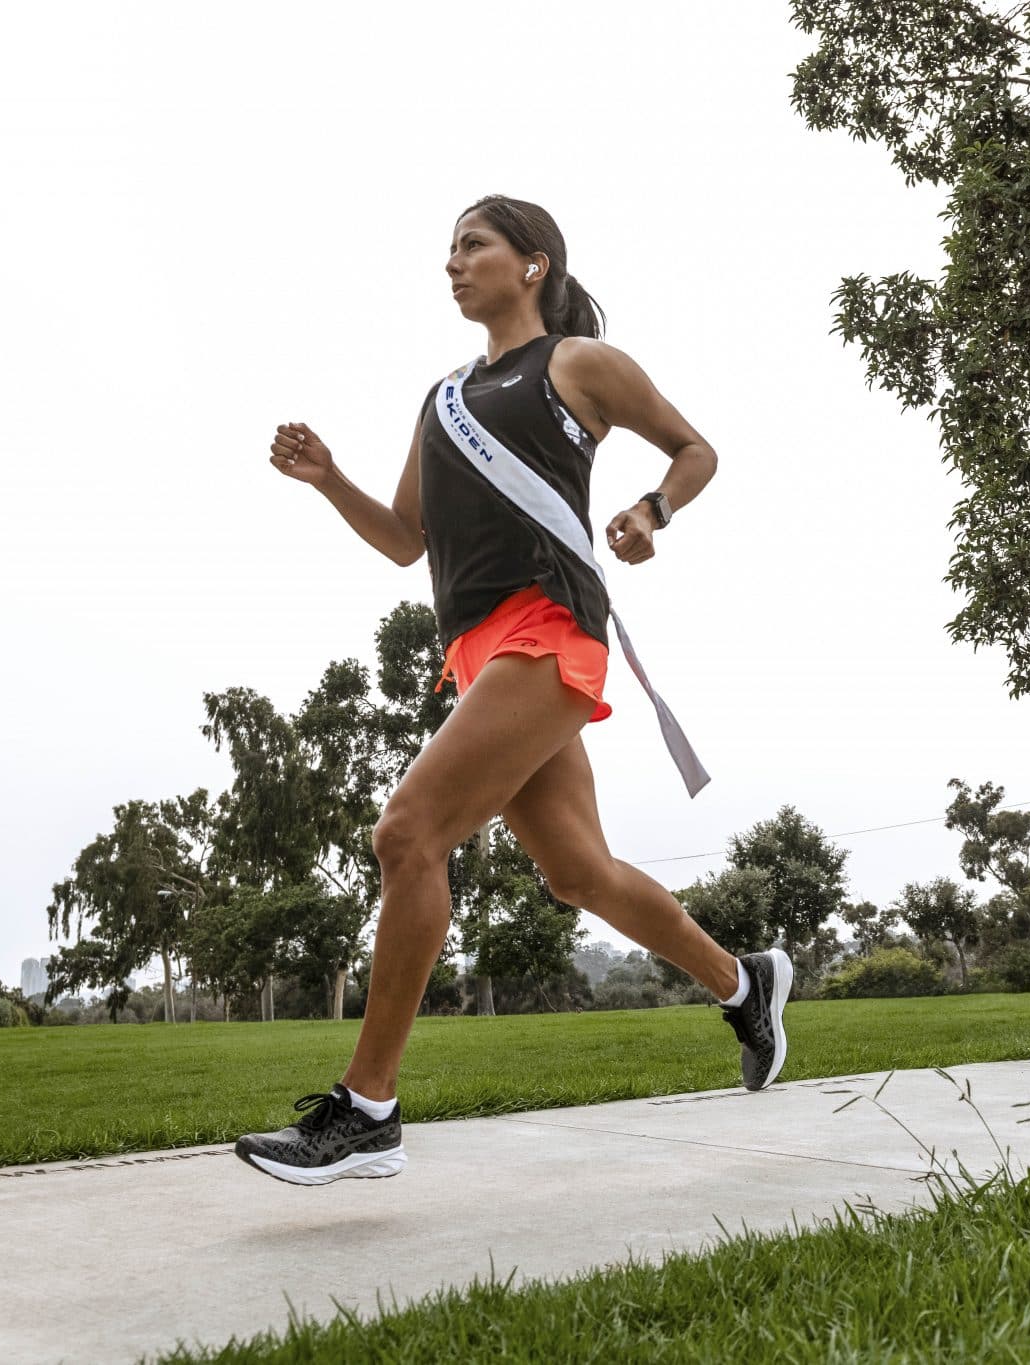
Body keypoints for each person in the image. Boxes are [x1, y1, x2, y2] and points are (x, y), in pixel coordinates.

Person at [234, 194, 792, 1186]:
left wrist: (653, 510)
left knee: (407, 833)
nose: (452, 264)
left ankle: (367, 1111)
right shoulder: (439, 396)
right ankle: (742, 982)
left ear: (529, 263)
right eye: (447, 250)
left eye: (472, 246)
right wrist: (328, 480)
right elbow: (408, 542)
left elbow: (693, 448)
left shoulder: (574, 364)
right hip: (478, 650)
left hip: (549, 631)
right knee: (579, 874)